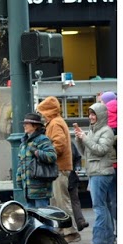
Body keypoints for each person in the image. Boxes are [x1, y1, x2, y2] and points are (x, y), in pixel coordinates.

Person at [74, 99, 117, 244]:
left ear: (101, 115)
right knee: (103, 207)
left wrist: (85, 138)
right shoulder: (94, 131)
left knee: (99, 207)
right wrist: (79, 139)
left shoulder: (106, 131)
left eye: (94, 114)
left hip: (101, 172)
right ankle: (108, 241)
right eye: (90, 114)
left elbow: (100, 150)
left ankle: (99, 241)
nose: (91, 117)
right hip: (96, 172)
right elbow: (86, 152)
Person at [36, 95, 79, 227]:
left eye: (42, 112)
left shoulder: (55, 123)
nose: (42, 116)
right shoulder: (56, 122)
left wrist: (44, 154)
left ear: (48, 112)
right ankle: (62, 229)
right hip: (59, 167)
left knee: (61, 202)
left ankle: (69, 230)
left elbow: (59, 145)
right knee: (57, 202)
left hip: (59, 167)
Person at [15, 113, 58, 207]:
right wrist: (18, 179)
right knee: (29, 215)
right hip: (28, 187)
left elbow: (52, 156)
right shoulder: (24, 143)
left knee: (43, 215)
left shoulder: (42, 139)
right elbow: (20, 163)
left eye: (27, 123)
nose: (24, 125)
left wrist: (36, 152)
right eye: (24, 123)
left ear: (35, 126)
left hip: (40, 187)